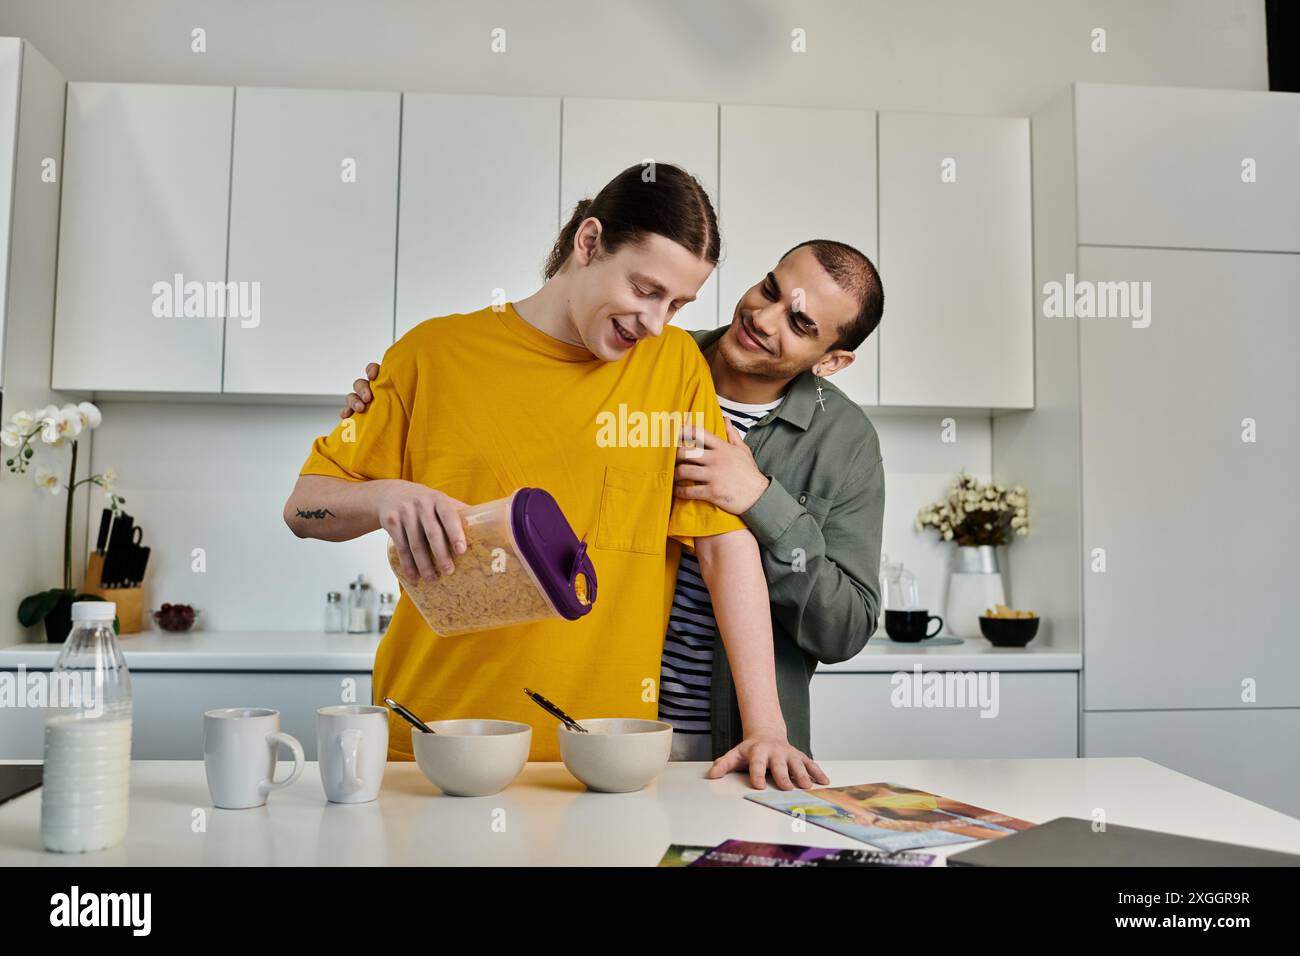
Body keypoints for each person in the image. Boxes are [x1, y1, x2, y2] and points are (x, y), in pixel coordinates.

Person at [285, 163, 826, 790]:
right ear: (589, 242)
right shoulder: (430, 356)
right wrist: (385, 497)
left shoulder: (674, 367)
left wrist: (766, 727)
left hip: (602, 757)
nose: (656, 322)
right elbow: (304, 508)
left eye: (677, 304)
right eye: (646, 290)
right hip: (435, 745)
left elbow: (721, 545)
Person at [344, 237, 887, 772]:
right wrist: (400, 394)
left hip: (735, 739)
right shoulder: (643, 354)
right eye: (770, 290)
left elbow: (843, 628)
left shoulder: (845, 442)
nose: (765, 319)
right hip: (607, 727)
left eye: (801, 325)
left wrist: (761, 501)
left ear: (833, 361)